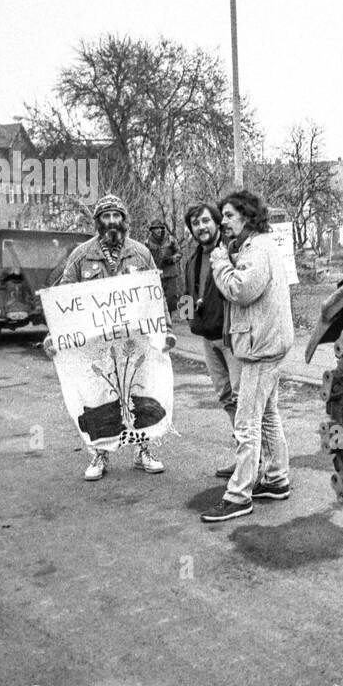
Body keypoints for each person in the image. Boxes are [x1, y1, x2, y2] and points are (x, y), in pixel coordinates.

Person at [48, 194, 175, 481]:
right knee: (98, 395)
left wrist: (165, 329)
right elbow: (64, 298)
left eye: (116, 216)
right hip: (98, 345)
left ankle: (143, 450)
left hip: (134, 341)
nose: (112, 222)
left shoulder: (141, 253)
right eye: (106, 217)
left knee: (139, 392)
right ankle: (100, 453)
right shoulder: (81, 255)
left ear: (124, 220)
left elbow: (156, 294)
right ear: (98, 222)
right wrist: (54, 335)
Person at [199, 189, 293, 523]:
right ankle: (277, 479)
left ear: (247, 216)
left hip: (260, 348)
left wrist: (221, 263)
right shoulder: (259, 245)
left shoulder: (258, 248)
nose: (222, 222)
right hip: (268, 342)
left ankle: (239, 495)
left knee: (247, 420)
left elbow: (241, 290)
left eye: (228, 215)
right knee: (267, 414)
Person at [184, 200, 241, 478]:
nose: (201, 227)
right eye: (196, 223)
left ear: (217, 222)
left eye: (205, 221)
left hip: (231, 338)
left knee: (244, 399)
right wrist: (189, 317)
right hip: (207, 338)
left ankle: (257, 460)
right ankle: (244, 456)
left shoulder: (230, 252)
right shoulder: (193, 259)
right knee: (226, 397)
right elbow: (185, 293)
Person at [146, 220, 181, 314]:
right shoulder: (147, 242)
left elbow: (179, 252)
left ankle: (169, 316)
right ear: (152, 230)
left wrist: (172, 259)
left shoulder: (171, 239)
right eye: (155, 228)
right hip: (156, 275)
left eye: (160, 228)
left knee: (172, 299)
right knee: (156, 299)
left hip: (171, 273)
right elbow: (145, 258)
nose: (158, 230)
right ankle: (162, 320)